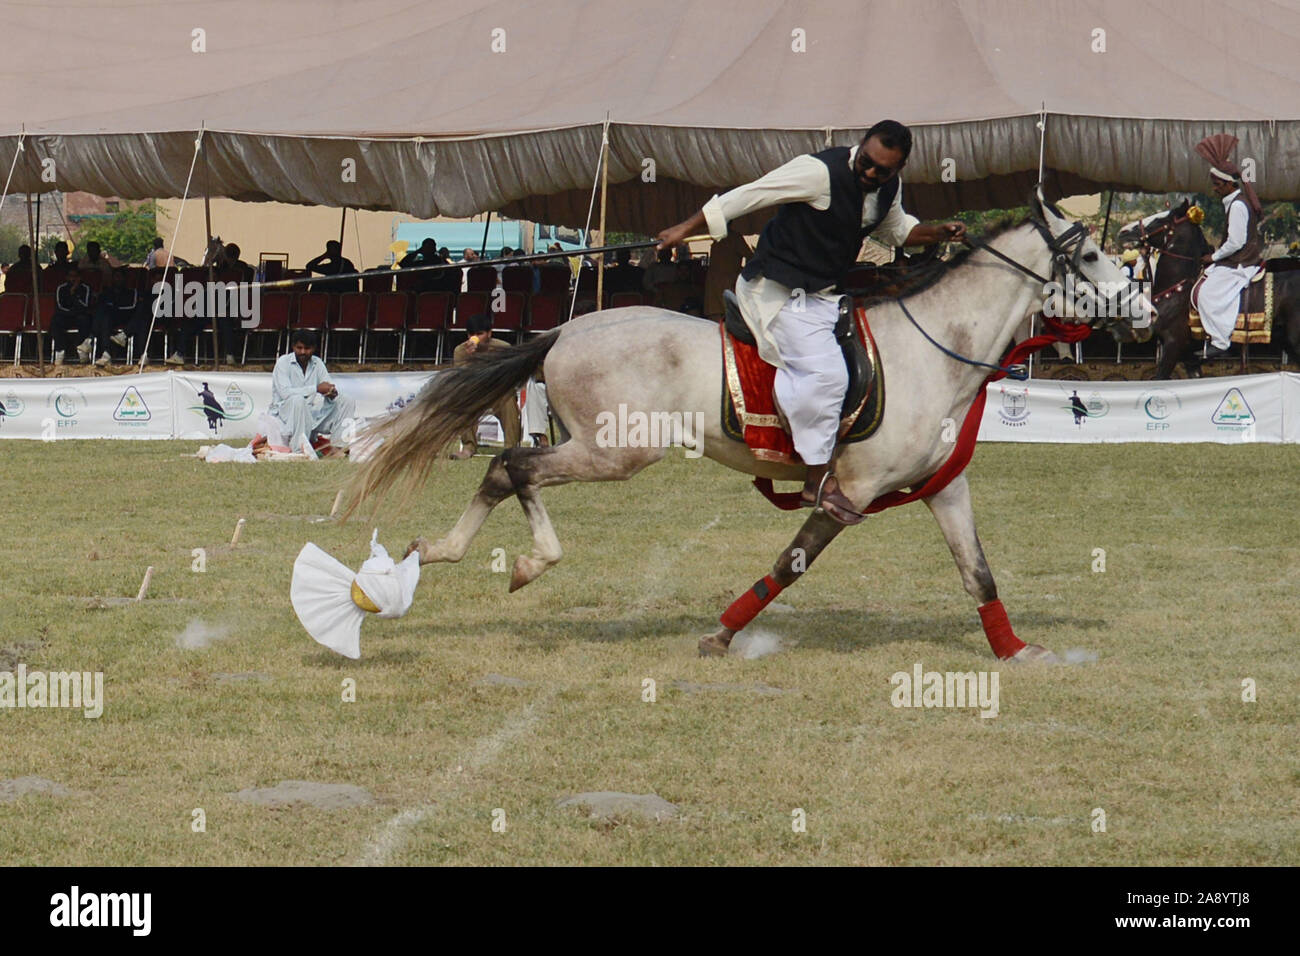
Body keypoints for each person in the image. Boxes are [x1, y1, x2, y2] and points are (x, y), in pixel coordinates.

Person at [656, 119, 966, 523]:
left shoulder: (888, 188)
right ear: (861, 146)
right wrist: (685, 229)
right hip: (776, 290)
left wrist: (936, 232)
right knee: (827, 376)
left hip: (824, 295)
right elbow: (748, 196)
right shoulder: (818, 172)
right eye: (868, 163)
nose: (872, 173)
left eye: (883, 170)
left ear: (899, 168)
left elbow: (897, 231)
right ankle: (816, 479)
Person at [1194, 133, 1264, 359]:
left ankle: (1220, 341)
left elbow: (1235, 242)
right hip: (1236, 260)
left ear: (1227, 183)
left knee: (1206, 294)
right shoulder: (1234, 203)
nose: (1214, 188)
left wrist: (1213, 258)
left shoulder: (1237, 206)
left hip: (1240, 263)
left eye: (1217, 184)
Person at [268, 330, 356, 456]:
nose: (303, 352)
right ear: (293, 347)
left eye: (307, 348)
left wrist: (331, 393)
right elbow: (285, 393)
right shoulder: (283, 362)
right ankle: (299, 449)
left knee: (346, 400)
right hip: (285, 414)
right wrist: (316, 388)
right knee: (298, 400)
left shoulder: (317, 363)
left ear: (314, 348)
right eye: (299, 348)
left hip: (310, 413)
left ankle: (339, 447)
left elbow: (327, 385)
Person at [450, 313, 521, 459]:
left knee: (507, 399)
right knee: (462, 399)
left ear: (489, 333)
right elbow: (462, 379)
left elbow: (508, 376)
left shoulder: (503, 348)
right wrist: (472, 358)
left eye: (479, 334)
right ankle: (468, 447)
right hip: (474, 392)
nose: (474, 337)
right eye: (471, 334)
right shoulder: (461, 351)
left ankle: (511, 449)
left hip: (498, 391)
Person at [51, 270, 94, 365]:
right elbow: (60, 307)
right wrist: (72, 310)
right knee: (56, 320)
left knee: (85, 320)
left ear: (80, 277)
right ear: (66, 277)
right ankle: (60, 351)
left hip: (80, 316)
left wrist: (74, 294)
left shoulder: (85, 288)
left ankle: (80, 348)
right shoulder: (61, 288)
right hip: (66, 315)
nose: (73, 279)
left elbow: (85, 306)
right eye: (71, 276)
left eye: (75, 276)